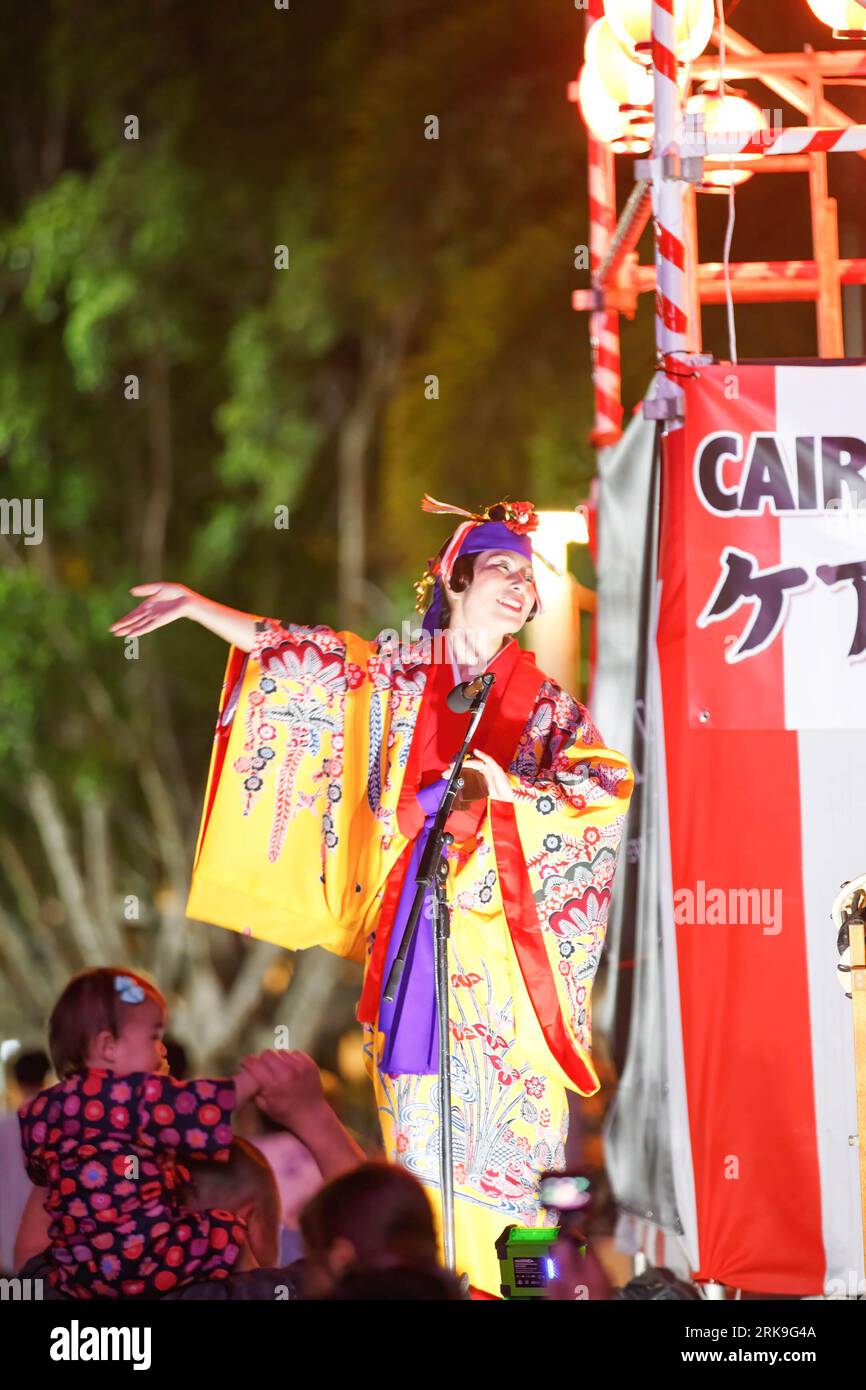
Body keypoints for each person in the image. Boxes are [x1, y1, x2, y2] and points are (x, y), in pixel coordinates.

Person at [109, 494, 634, 1294]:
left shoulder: (546, 706)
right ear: (454, 582)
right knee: (420, 1161)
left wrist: (509, 800)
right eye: (502, 569)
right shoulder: (392, 673)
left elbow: (603, 786)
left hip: (506, 967)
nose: (521, 588)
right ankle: (432, 1293)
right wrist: (197, 607)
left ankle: (533, 1299)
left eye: (529, 579)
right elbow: (300, 658)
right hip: (418, 945)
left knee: (521, 1168)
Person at [16, 966, 265, 1298]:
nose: (163, 1050)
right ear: (109, 1047)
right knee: (226, 1231)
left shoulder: (40, 1110)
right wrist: (256, 1079)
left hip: (79, 1276)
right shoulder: (135, 1095)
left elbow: (41, 1173)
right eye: (154, 1038)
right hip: (146, 1261)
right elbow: (198, 1104)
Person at [0, 1049, 50, 1273]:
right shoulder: (56, 1121)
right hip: (46, 1242)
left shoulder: (4, 1125)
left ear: (16, 1079)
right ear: (46, 1075)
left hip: (7, 1241)